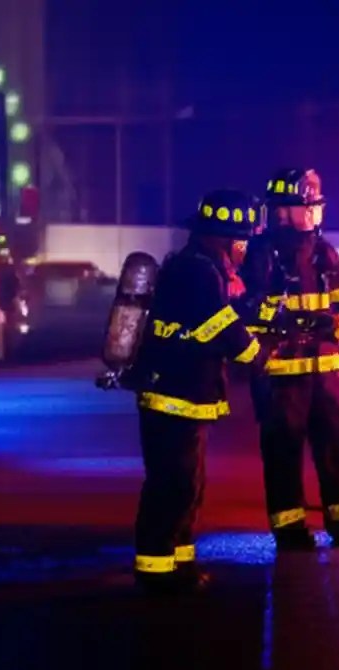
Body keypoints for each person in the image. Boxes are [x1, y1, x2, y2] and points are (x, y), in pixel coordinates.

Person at [129, 189, 267, 594]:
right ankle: (156, 573)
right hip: (175, 395)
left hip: (183, 393)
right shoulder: (199, 272)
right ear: (225, 238)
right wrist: (258, 354)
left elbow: (211, 324)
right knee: (172, 483)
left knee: (188, 484)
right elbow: (221, 327)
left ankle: (180, 563)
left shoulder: (197, 268)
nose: (245, 249)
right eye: (242, 240)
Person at [240, 167, 339, 550]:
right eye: (309, 206)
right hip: (282, 377)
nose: (315, 212)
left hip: (330, 375)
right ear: (285, 211)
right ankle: (289, 530)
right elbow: (249, 310)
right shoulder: (260, 255)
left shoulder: (325, 253)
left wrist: (337, 325)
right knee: (283, 451)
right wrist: (297, 321)